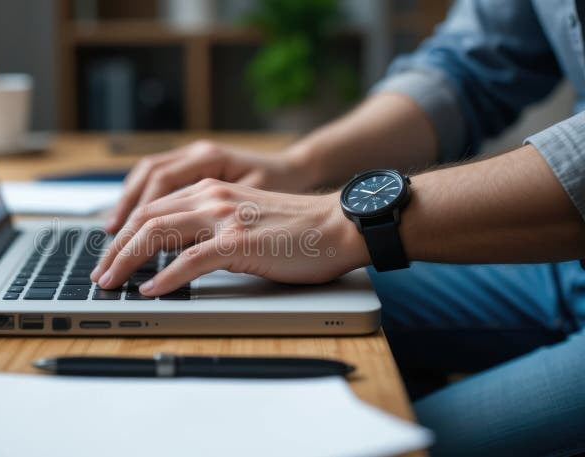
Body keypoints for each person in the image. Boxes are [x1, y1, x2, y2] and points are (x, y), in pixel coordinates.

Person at [90, 1, 585, 455]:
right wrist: (296, 167)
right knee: (234, 291)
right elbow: (467, 70)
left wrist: (340, 222)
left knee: (362, 443)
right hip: (559, 269)